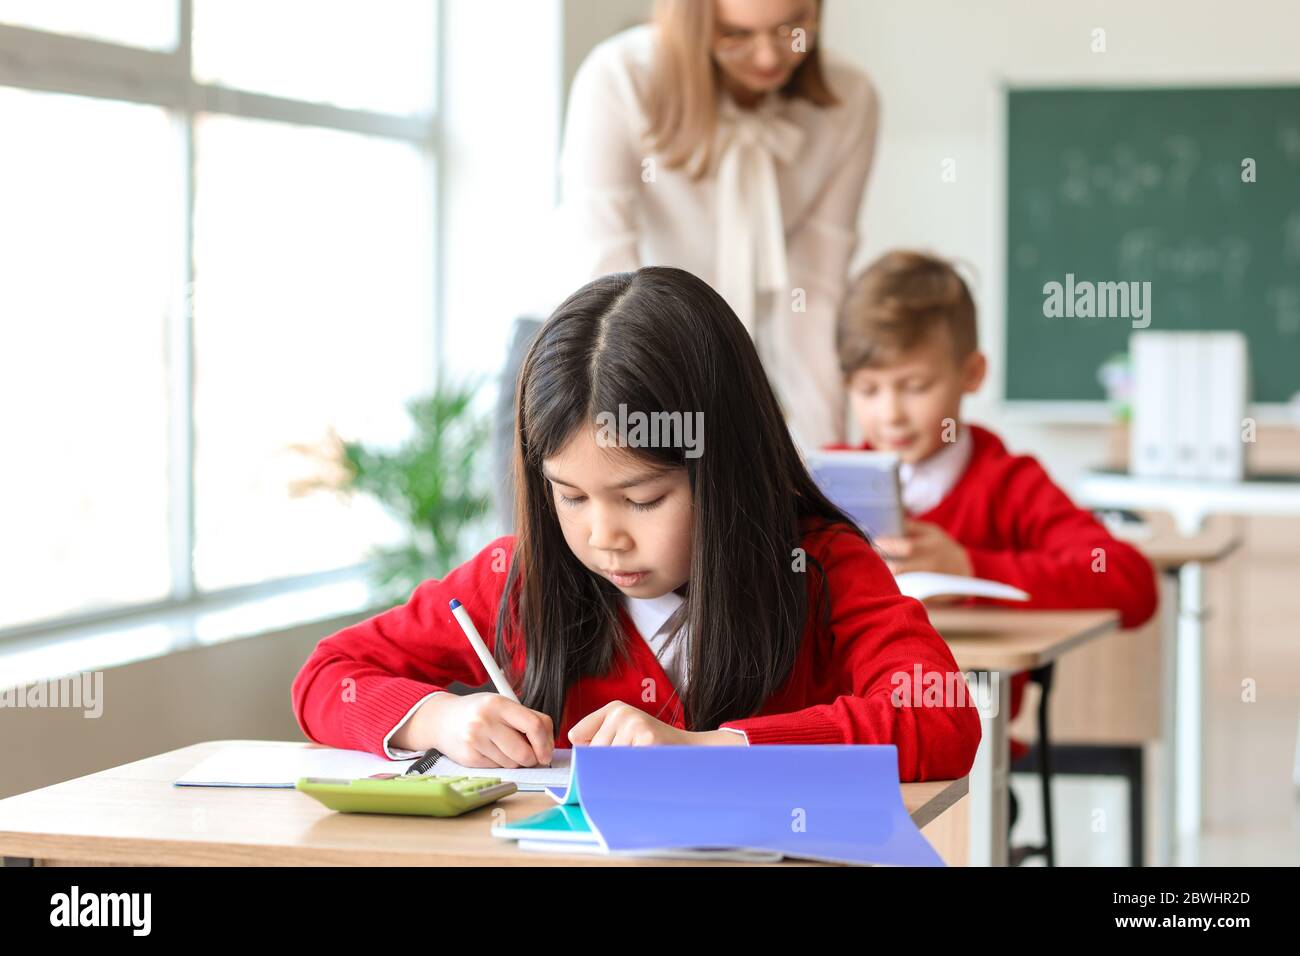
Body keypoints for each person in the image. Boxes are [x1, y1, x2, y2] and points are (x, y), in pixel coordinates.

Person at [292, 266, 980, 782]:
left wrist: (710, 750)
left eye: (643, 499)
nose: (604, 536)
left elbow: (940, 719)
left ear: (725, 470)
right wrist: (440, 719)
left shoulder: (819, 565)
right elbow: (329, 675)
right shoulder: (519, 580)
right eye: (570, 496)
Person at [830, 249, 1159, 762]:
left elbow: (1131, 581)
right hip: (852, 740)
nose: (890, 413)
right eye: (868, 390)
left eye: (915, 386)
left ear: (972, 373)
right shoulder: (827, 482)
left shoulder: (1008, 483)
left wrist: (969, 568)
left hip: (979, 750)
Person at [554, 0, 880, 449]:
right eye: (735, 35)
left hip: (735, 364)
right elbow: (603, 276)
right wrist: (638, 439)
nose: (769, 57)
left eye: (793, 26)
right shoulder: (619, 78)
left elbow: (812, 297)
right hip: (594, 354)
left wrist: (823, 461)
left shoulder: (849, 101)